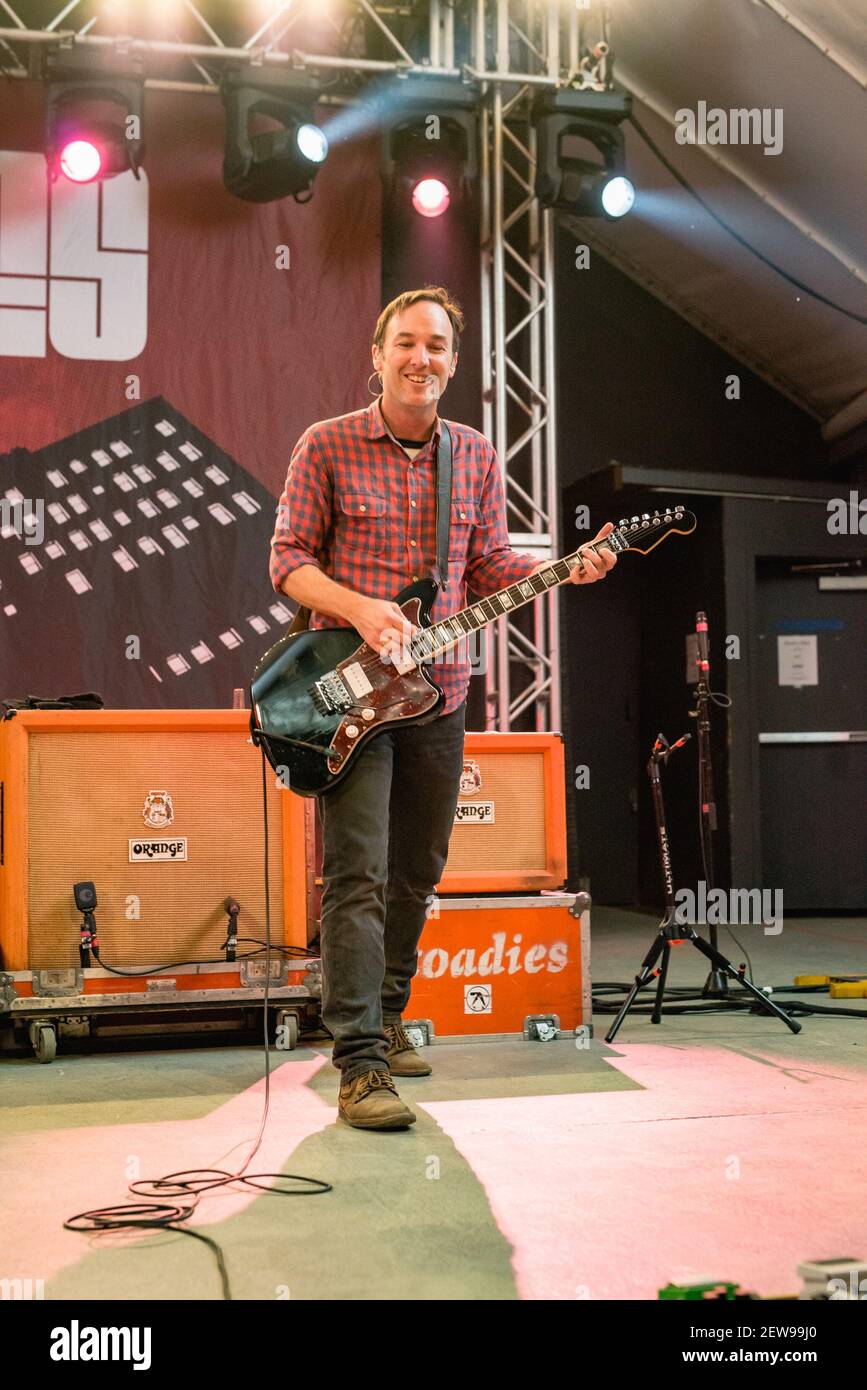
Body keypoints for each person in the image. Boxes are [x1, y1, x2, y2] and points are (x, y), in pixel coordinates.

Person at [269, 285, 617, 1131]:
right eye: (405, 344)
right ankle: (357, 1063)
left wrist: (563, 569)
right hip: (351, 699)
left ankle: (388, 1017)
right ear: (377, 355)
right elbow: (286, 561)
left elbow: (490, 565)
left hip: (440, 695)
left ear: (453, 364)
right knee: (356, 870)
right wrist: (357, 607)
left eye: (435, 346)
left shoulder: (475, 455)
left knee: (417, 872)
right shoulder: (326, 445)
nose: (419, 358)